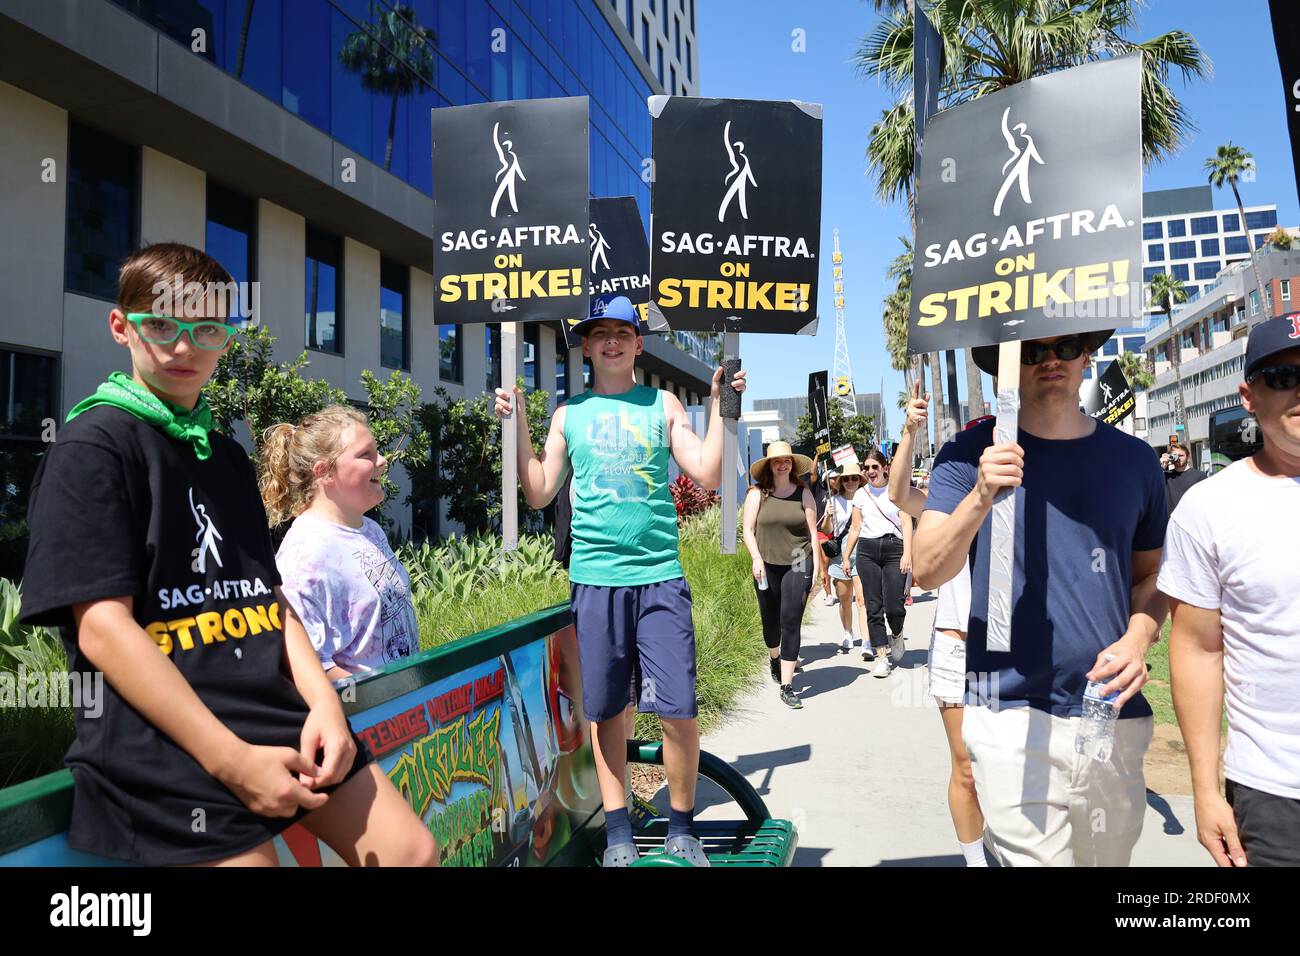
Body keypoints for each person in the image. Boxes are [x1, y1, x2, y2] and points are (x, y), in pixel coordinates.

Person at [19, 243, 436, 867]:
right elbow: (103, 632)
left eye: (205, 329)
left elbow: (268, 599)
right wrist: (233, 761)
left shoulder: (226, 456)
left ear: (227, 336)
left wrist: (324, 703)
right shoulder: (91, 447)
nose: (184, 348)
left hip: (273, 711)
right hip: (163, 741)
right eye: (161, 325)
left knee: (413, 853)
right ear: (120, 326)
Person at [493, 295, 746, 867]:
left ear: (638, 342)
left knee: (679, 708)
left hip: (659, 578)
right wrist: (519, 426)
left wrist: (720, 405)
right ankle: (617, 834)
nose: (612, 341)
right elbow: (537, 490)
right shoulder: (569, 414)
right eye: (600, 333)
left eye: (623, 333)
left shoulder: (663, 403)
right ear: (586, 345)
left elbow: (705, 472)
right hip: (595, 581)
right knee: (606, 711)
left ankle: (682, 827)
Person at [914, 329, 1168, 866]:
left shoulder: (1135, 460)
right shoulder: (966, 454)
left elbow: (1152, 578)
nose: (1050, 359)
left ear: (1087, 355)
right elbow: (928, 568)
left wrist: (1140, 635)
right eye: (1031, 350)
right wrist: (981, 496)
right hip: (1008, 710)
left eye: (1066, 346)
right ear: (1007, 365)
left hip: (1110, 714)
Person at [1161, 314, 1300, 867]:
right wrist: (1204, 787)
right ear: (1249, 395)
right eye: (1281, 377)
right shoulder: (1209, 507)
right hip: (1273, 790)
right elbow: (1196, 647)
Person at [888, 381, 987, 867]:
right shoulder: (946, 502)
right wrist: (909, 430)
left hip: (1016, 647)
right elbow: (898, 492)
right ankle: (975, 860)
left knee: (1012, 768)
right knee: (967, 767)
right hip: (956, 644)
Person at [260, 406, 419, 678]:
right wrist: (375, 698)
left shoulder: (370, 530)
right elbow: (306, 666)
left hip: (404, 708)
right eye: (365, 455)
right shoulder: (306, 554)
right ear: (324, 472)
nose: (382, 460)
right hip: (363, 716)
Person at [742, 441, 821, 709]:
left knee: (791, 619)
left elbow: (813, 534)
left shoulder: (803, 493)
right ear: (769, 465)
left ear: (792, 464)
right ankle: (774, 657)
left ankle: (787, 685)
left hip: (799, 561)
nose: (782, 464)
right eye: (777, 461)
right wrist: (755, 558)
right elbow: (747, 531)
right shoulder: (757, 494)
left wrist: (818, 569)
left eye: (786, 460)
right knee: (771, 622)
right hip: (766, 563)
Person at [853, 448, 912, 678]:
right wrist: (847, 555)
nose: (870, 471)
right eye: (866, 467)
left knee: (894, 607)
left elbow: (907, 523)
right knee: (873, 605)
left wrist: (907, 553)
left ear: (885, 467)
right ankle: (881, 656)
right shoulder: (860, 494)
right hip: (867, 550)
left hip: (893, 548)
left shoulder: (895, 490)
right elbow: (856, 528)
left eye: (874, 467)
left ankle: (897, 634)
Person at [821, 463, 865, 654]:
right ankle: (848, 633)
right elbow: (826, 531)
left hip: (863, 553)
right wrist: (829, 516)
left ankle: (867, 640)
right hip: (840, 555)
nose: (850, 482)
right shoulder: (834, 501)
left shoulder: (867, 499)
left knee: (863, 600)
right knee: (845, 598)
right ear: (840, 481)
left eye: (854, 478)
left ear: (860, 480)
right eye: (846, 479)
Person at [1161, 440, 1205, 514]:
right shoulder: (1165, 476)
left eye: (1181, 455)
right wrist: (1162, 466)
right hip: (1171, 522)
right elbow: (1150, 484)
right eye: (1175, 455)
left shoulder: (1199, 476)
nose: (1178, 458)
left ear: (1187, 457)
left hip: (1191, 520)